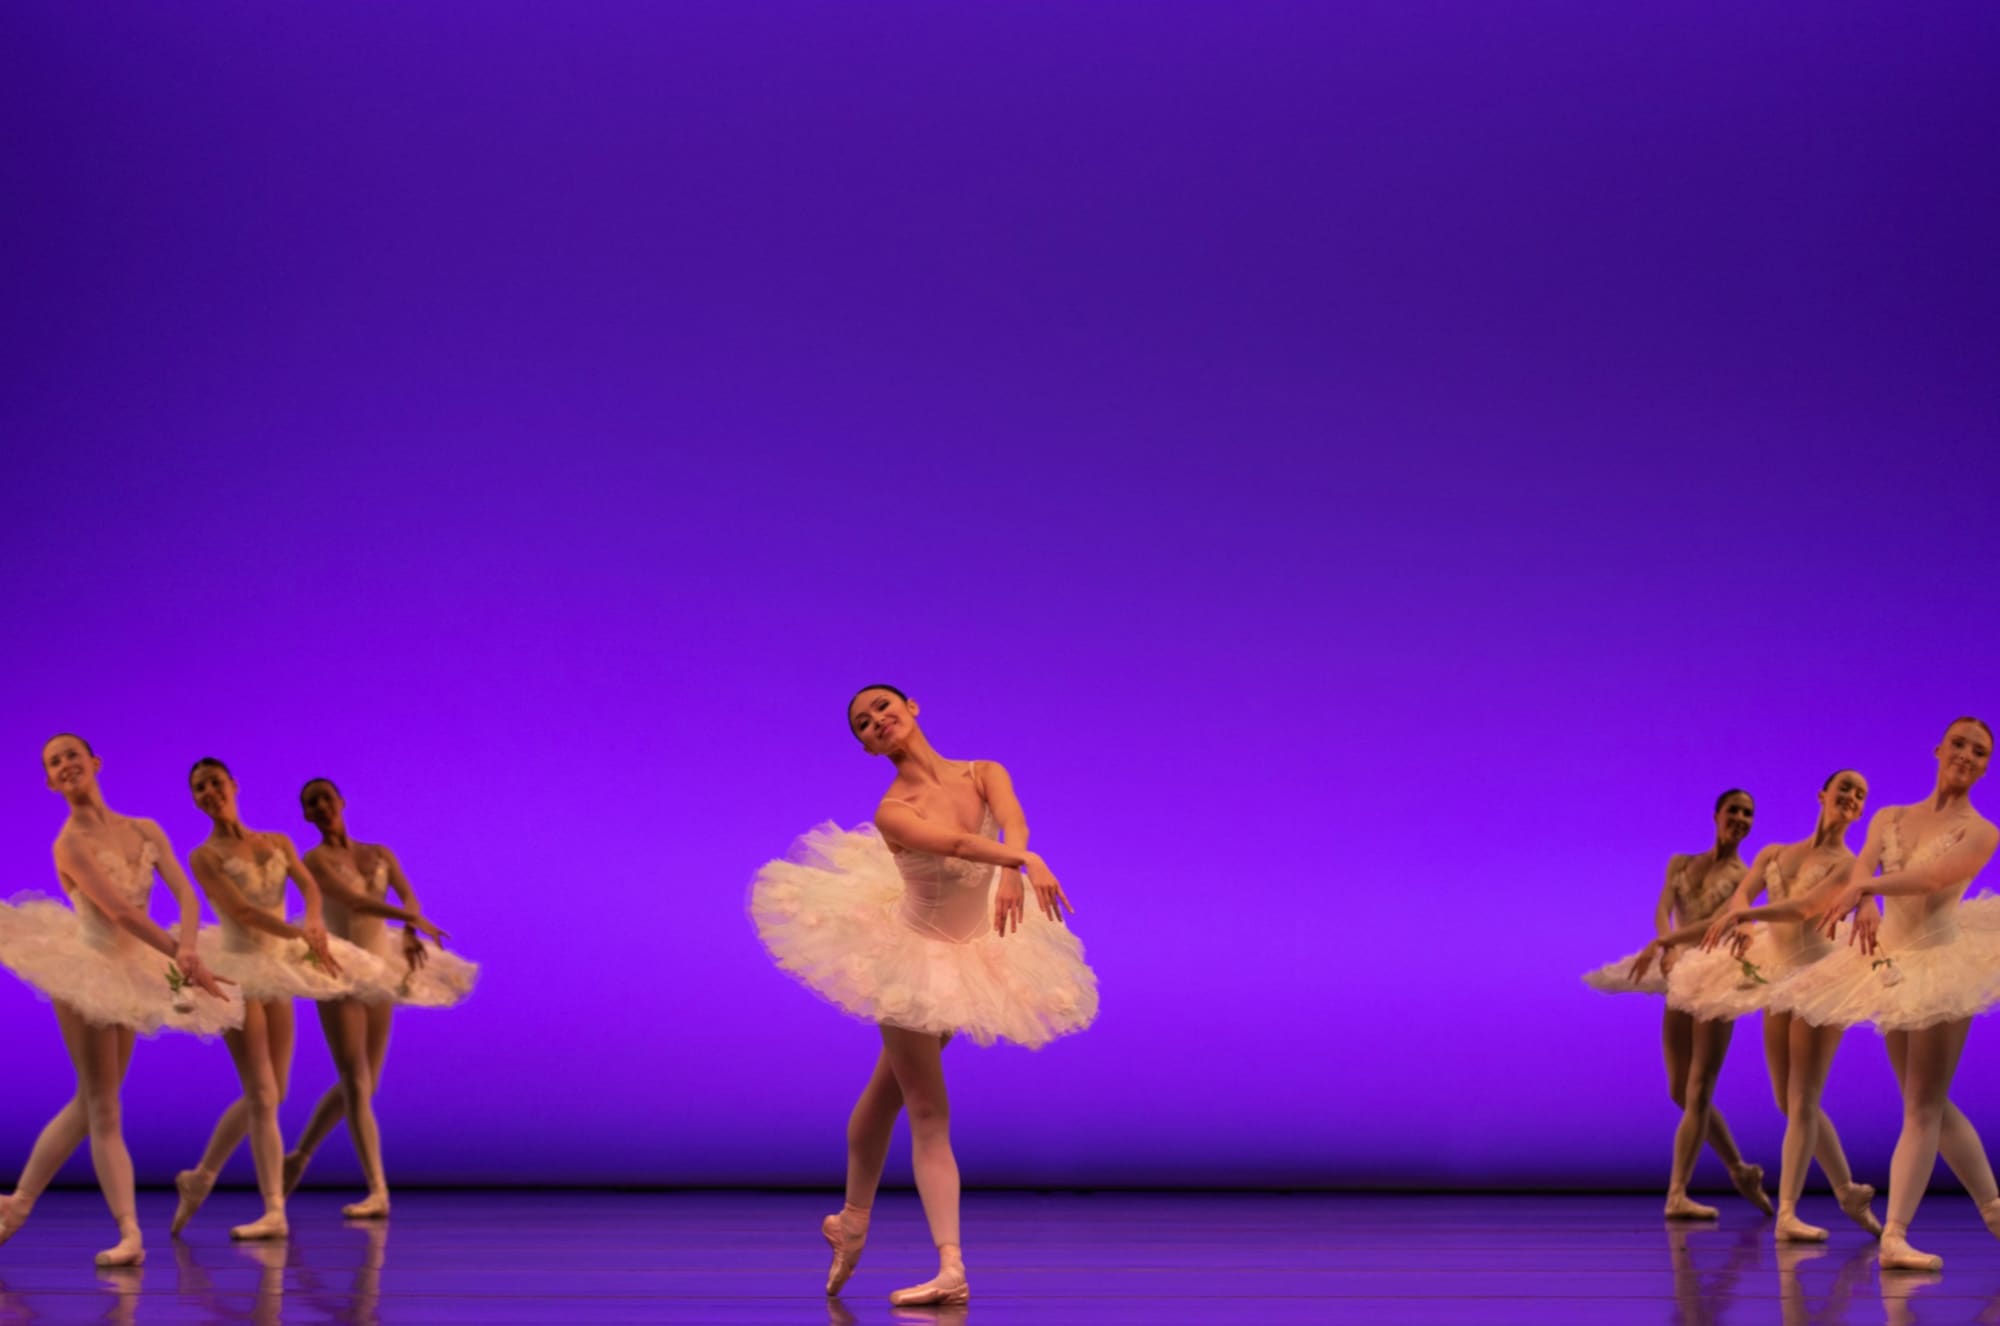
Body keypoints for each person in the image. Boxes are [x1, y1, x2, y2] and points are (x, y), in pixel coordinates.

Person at [750, 686, 1098, 1305]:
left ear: (913, 706)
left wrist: (1013, 861)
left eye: (883, 707)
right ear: (865, 745)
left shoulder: (984, 770)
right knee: (928, 1110)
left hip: (971, 952)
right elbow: (961, 846)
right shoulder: (895, 809)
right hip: (911, 958)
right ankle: (951, 1268)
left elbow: (1011, 819)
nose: (877, 720)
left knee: (885, 1094)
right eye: (864, 723)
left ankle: (850, 1223)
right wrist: (1019, 862)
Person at [0, 734, 236, 1265]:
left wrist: (190, 948)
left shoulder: (144, 829)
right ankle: (130, 1234)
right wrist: (182, 958)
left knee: (91, 1103)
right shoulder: (70, 843)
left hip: (135, 967)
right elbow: (121, 915)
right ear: (48, 780)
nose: (64, 765)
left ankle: (16, 1205)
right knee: (104, 1106)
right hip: (88, 970)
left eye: (71, 755)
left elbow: (184, 893)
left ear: (95, 762)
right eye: (53, 762)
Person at [1639, 772, 1882, 1240]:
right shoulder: (1773, 852)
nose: (1852, 797)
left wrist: (1745, 915)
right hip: (1780, 983)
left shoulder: (1851, 866)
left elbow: (1802, 908)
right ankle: (1847, 1188)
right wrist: (1741, 916)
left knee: (1803, 1099)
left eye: (1861, 794)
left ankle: (1788, 1211)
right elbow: (1743, 892)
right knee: (1785, 1100)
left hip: (1819, 980)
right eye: (1845, 788)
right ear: (1822, 795)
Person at [1796, 718, 2000, 1271]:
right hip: (1889, 962)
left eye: (1979, 752)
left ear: (1985, 767)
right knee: (1925, 1103)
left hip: (1940, 963)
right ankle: (1995, 1210)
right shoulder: (1889, 817)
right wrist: (1863, 898)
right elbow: (1865, 865)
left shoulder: (1982, 830)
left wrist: (1868, 888)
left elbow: (1934, 879)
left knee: (1924, 1104)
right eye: (1958, 744)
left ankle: (1895, 1235)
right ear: (1938, 749)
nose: (1966, 755)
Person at [172, 758, 393, 1241]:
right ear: (195, 800)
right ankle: (273, 1209)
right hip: (238, 970)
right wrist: (297, 932)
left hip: (278, 968)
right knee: (263, 1094)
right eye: (199, 788)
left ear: (233, 784)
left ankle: (201, 1175)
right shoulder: (204, 856)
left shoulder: (277, 841)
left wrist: (312, 919)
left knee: (276, 1092)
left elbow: (308, 884)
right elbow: (242, 910)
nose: (209, 792)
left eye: (214, 782)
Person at [283, 776, 473, 1217]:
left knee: (368, 1082)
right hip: (339, 965)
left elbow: (406, 891)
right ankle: (378, 1190)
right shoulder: (313, 860)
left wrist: (408, 929)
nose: (323, 806)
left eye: (327, 797)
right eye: (312, 803)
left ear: (342, 801)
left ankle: (299, 1157)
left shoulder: (380, 852)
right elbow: (355, 902)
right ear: (307, 815)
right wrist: (410, 917)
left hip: (378, 965)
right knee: (354, 1078)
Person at [1584, 789, 1771, 1218]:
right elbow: (1663, 908)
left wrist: (1670, 941)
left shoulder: (1745, 876)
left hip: (1718, 972)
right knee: (1678, 1089)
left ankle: (1677, 1193)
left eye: (1749, 814)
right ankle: (1740, 1170)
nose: (1741, 818)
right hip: (1680, 972)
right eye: (1734, 810)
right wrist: (1664, 942)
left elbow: (1716, 922)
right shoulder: (1681, 863)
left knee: (1700, 1085)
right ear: (1717, 814)